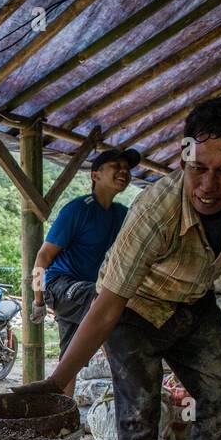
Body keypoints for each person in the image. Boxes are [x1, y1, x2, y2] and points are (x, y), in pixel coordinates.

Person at [18, 94, 221, 440]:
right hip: (131, 309)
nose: (207, 187)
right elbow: (108, 304)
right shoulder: (155, 208)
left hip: (193, 303)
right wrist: (57, 381)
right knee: (139, 418)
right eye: (197, 168)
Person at [32, 146, 137, 358]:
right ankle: (119, 359)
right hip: (60, 286)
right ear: (95, 175)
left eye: (127, 168)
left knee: (70, 357)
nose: (124, 171)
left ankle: (59, 391)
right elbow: (43, 256)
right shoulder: (78, 209)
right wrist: (37, 300)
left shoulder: (122, 215)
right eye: (116, 166)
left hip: (89, 291)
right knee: (108, 300)